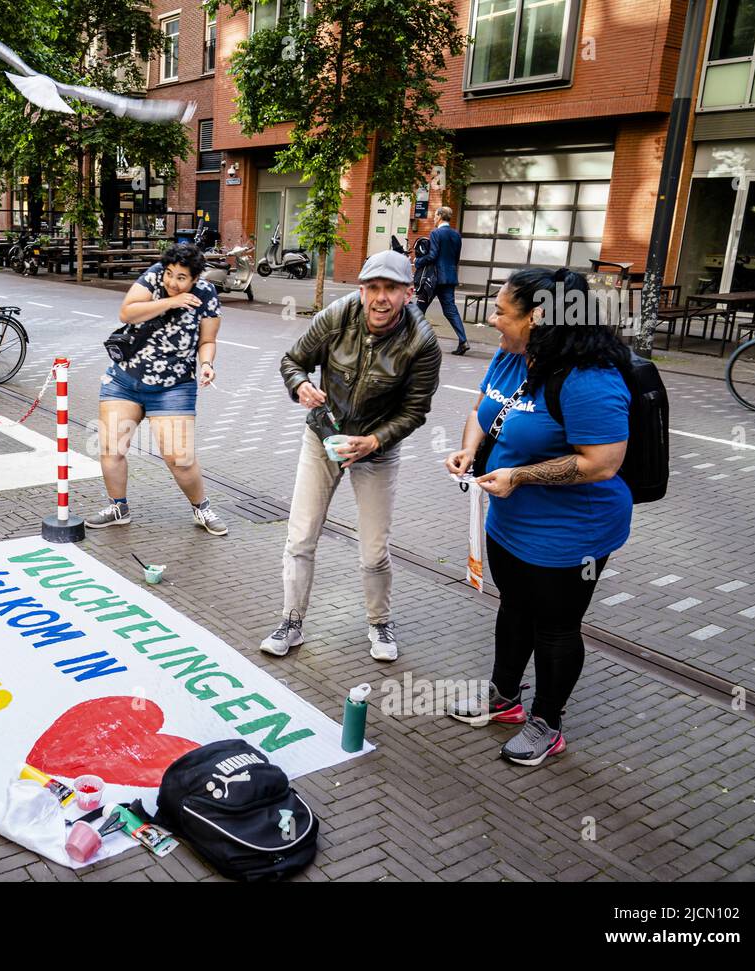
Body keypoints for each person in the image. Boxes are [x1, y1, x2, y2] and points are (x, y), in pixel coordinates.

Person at [444, 267, 631, 767]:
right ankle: (503, 699)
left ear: (540, 316)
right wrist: (469, 449)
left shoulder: (589, 379)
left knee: (555, 626)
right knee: (514, 607)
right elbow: (483, 408)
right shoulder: (512, 357)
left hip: (572, 534)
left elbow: (602, 462)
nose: (491, 319)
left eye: (503, 311)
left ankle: (548, 722)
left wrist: (520, 477)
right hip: (509, 521)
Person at [261, 251, 441, 662]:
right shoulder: (336, 317)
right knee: (300, 536)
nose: (381, 298)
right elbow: (293, 361)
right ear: (361, 290)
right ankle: (291, 621)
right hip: (323, 437)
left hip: (376, 449)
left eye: (391, 289)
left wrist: (375, 441)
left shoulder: (421, 341)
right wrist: (301, 386)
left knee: (374, 549)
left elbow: (416, 410)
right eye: (373, 288)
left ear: (408, 293)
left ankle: (379, 622)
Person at [86, 243, 227, 536]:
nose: (172, 282)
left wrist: (206, 364)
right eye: (170, 274)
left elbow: (207, 340)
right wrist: (169, 302)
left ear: (196, 278)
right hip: (125, 379)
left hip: (173, 386)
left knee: (180, 458)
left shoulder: (207, 296)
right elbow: (127, 313)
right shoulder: (152, 279)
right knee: (112, 448)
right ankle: (118, 507)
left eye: (181, 278)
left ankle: (201, 507)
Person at [416, 206, 469, 355]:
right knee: (451, 310)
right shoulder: (456, 235)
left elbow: (432, 256)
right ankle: (463, 340)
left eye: (434, 215)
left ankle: (412, 339)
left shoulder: (436, 233)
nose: (433, 218)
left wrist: (418, 261)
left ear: (439, 216)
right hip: (450, 277)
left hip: (434, 279)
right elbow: (456, 258)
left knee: (419, 308)